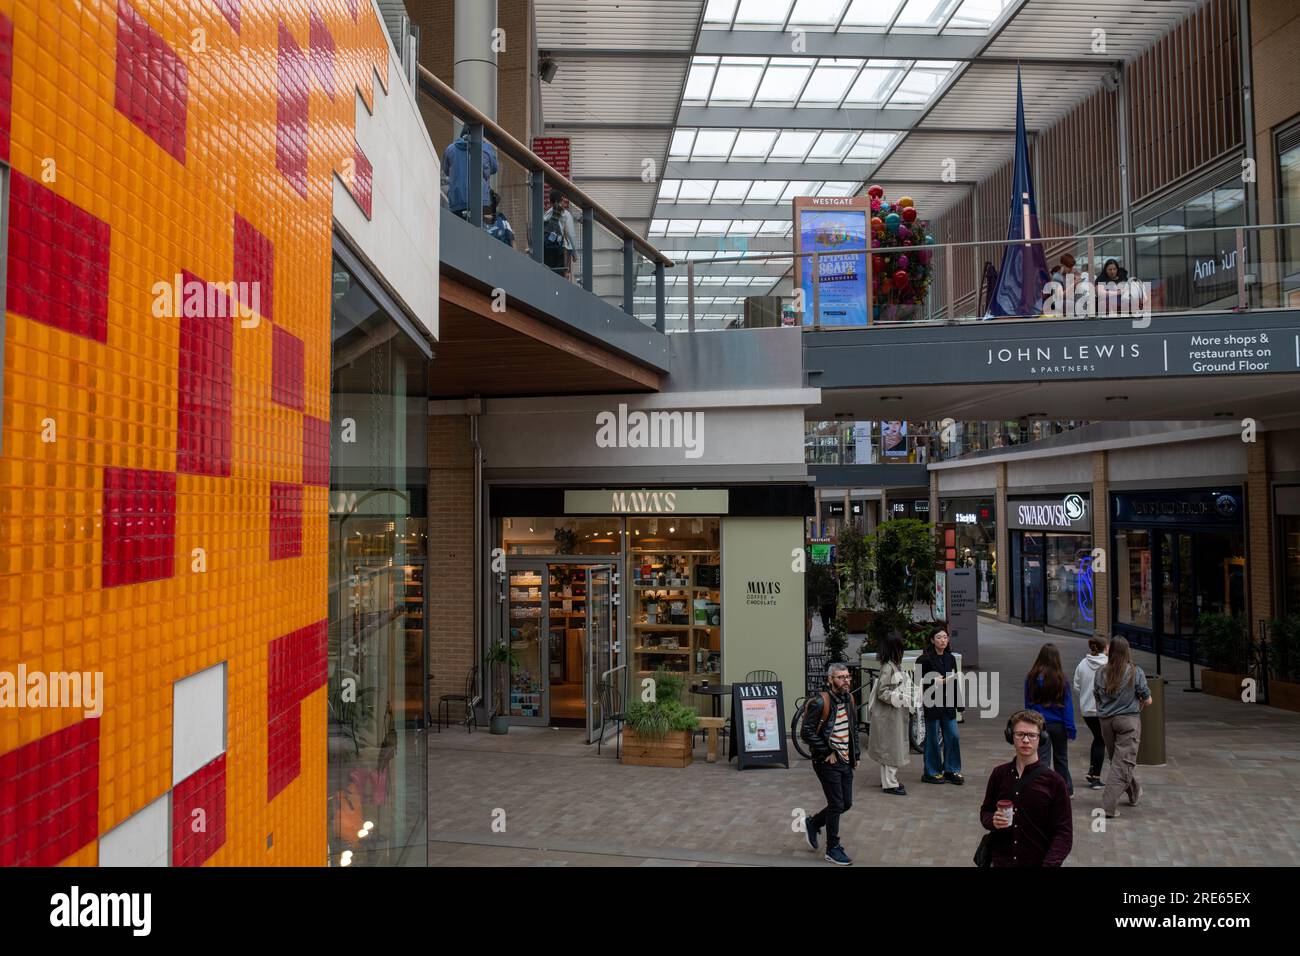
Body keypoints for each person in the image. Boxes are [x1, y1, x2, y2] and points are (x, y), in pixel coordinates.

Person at [979, 710, 1073, 866]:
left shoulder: (1055, 782)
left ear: (1041, 738)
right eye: (1020, 734)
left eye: (1032, 735)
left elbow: (1064, 834)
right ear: (1011, 736)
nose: (1026, 740)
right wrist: (992, 821)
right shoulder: (999, 774)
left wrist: (1049, 864)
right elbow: (986, 811)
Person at [800, 662, 861, 865]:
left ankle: (813, 822)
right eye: (841, 677)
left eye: (847, 677)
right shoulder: (820, 702)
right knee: (836, 804)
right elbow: (806, 732)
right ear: (830, 680)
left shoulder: (849, 699)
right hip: (825, 760)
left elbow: (853, 728)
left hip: (845, 758)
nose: (846, 681)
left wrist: (856, 755)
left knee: (846, 803)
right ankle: (832, 848)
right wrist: (827, 751)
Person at [1094, 636, 1153, 819]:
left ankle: (1134, 790)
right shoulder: (1135, 672)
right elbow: (1148, 699)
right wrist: (1139, 703)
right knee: (1121, 764)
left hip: (1106, 722)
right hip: (1128, 721)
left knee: (1118, 762)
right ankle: (1107, 807)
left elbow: (1096, 696)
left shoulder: (1100, 672)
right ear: (1127, 652)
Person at [1024, 643, 1076, 795]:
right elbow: (1067, 707)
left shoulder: (1031, 678)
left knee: (1042, 758)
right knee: (1061, 758)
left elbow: (1027, 703)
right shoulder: (1062, 680)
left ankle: (1042, 789)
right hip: (1059, 725)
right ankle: (1065, 790)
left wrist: (1028, 723)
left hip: (1039, 724)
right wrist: (1070, 728)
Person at [867, 630, 913, 796]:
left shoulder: (889, 665)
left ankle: (888, 781)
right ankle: (890, 783)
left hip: (889, 715)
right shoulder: (890, 667)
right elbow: (882, 691)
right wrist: (901, 697)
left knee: (888, 749)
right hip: (889, 716)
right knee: (892, 750)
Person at [918, 627, 962, 785]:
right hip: (932, 703)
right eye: (939, 637)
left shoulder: (950, 658)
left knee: (953, 736)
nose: (943, 640)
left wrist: (959, 704)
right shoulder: (924, 659)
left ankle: (951, 769)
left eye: (945, 637)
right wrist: (933, 681)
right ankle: (932, 771)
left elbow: (954, 681)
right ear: (932, 640)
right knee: (933, 739)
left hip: (948, 703)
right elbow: (917, 681)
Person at [1073, 636, 1109, 789]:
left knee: (1097, 738)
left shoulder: (1082, 664)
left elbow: (1076, 686)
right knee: (1101, 741)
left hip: (1087, 710)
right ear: (1105, 648)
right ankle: (1095, 778)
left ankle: (1092, 771)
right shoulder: (1109, 665)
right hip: (1104, 710)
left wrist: (1085, 697)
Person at [441, 128, 499, 220]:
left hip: (457, 200)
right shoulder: (487, 149)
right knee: (480, 229)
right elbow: (495, 169)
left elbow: (446, 170)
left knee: (458, 229)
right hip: (481, 200)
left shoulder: (450, 149)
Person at [542, 188, 576, 279]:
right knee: (561, 279)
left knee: (548, 276)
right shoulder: (565, 214)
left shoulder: (546, 214)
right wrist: (574, 254)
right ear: (561, 200)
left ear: (550, 201)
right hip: (561, 252)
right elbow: (571, 236)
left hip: (546, 251)